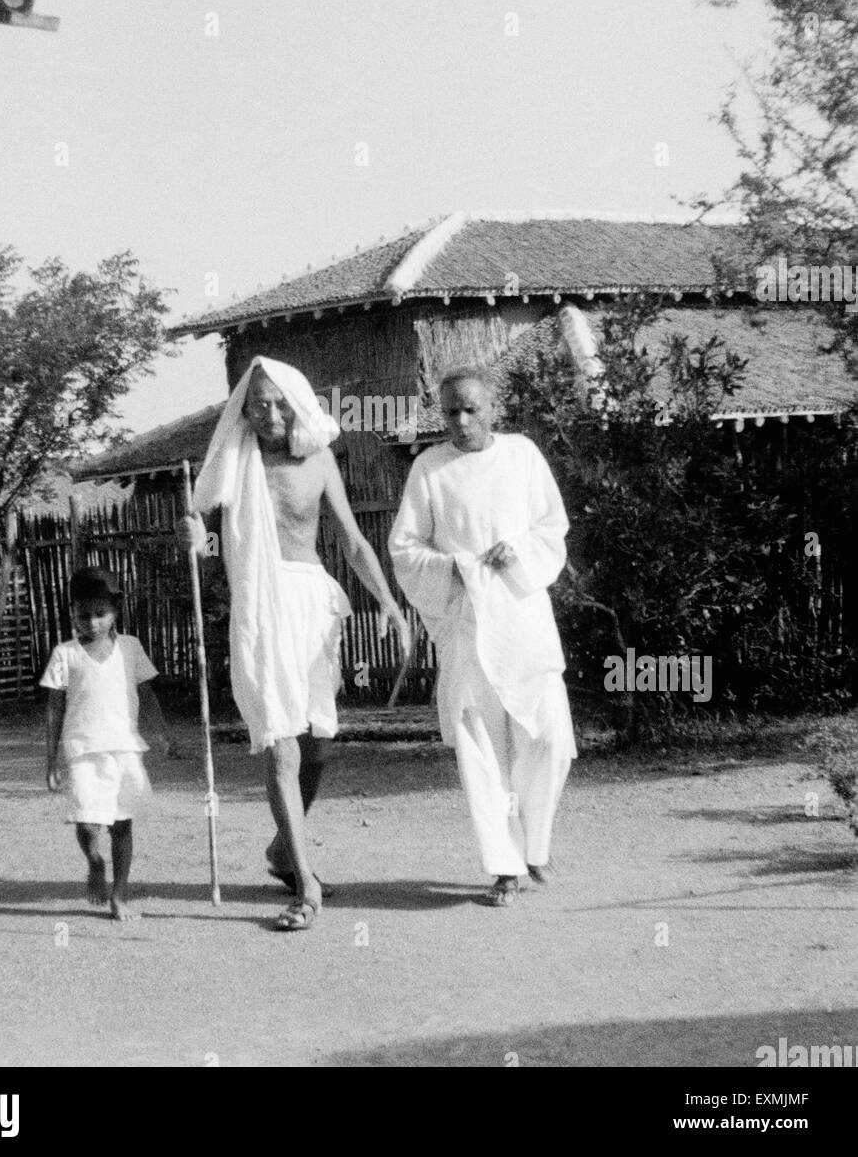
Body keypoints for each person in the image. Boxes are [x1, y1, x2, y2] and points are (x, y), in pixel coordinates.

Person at [178, 356, 411, 931]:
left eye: (280, 402)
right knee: (281, 744)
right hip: (260, 603)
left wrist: (389, 604)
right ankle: (306, 884)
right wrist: (193, 536)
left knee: (315, 747)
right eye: (258, 403)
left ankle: (283, 850)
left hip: (311, 603)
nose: (270, 413)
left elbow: (353, 541)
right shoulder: (234, 462)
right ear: (244, 408)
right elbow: (202, 527)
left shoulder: (319, 459)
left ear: (299, 402)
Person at [388, 365, 576, 907]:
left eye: (472, 409)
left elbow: (551, 527)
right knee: (481, 747)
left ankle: (534, 843)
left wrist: (517, 552)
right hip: (468, 623)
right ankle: (504, 866)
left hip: (522, 615)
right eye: (451, 411)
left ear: (492, 407)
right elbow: (406, 548)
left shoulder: (522, 455)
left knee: (548, 737)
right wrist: (457, 567)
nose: (462, 421)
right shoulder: (429, 468)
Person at [43, 566, 171, 921]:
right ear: (72, 613)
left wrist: (160, 732)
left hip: (124, 748)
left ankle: (120, 895)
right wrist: (51, 761)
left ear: (115, 611)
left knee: (123, 823)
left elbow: (146, 692)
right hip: (82, 750)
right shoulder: (64, 655)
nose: (93, 623)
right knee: (86, 822)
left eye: (101, 614)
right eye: (84, 615)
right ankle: (95, 861)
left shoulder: (130, 648)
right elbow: (54, 709)